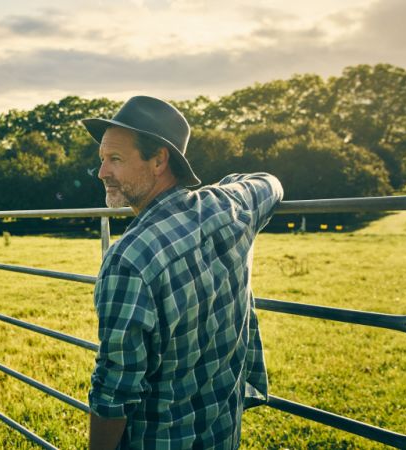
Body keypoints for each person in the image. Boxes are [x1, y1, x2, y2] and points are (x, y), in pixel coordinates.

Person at [82, 96, 283, 449]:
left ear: (159, 160)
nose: (102, 172)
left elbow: (114, 394)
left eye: (115, 159)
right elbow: (269, 183)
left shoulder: (128, 261)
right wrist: (221, 188)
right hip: (222, 435)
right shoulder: (228, 205)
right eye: (101, 160)